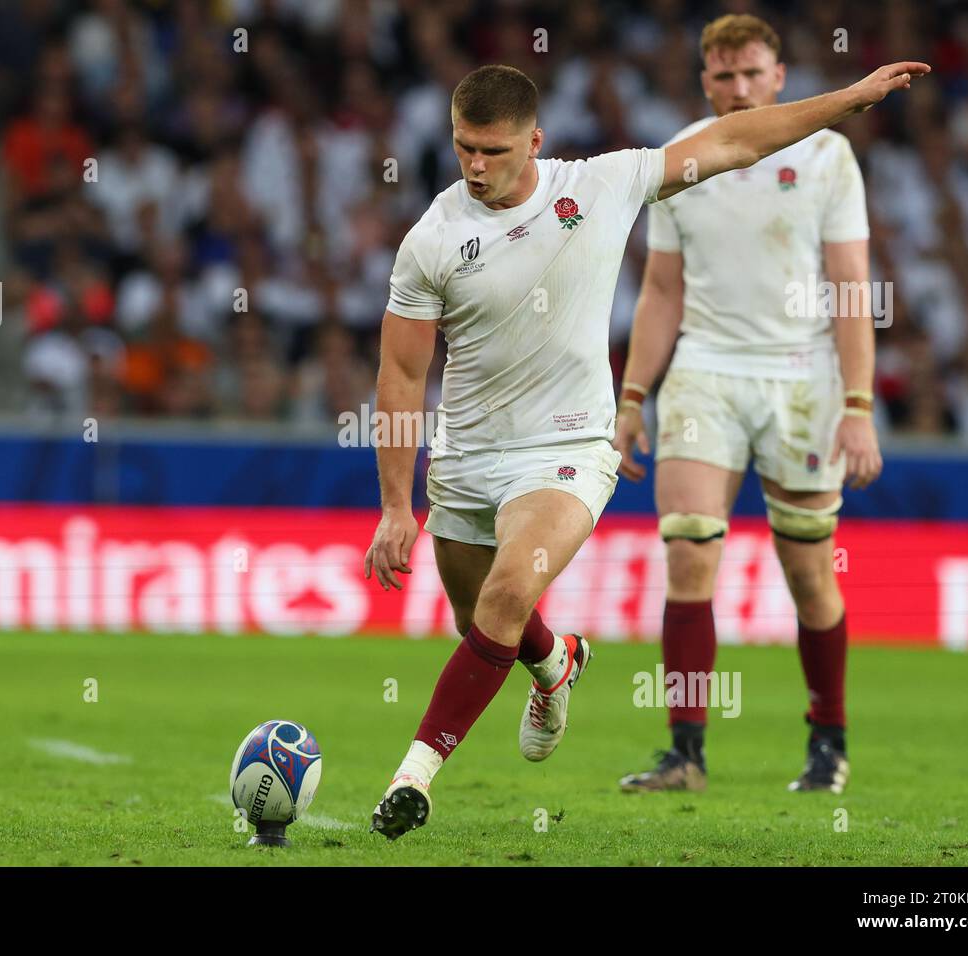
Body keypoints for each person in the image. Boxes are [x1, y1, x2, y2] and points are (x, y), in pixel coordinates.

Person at [364, 55, 928, 839]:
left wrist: (847, 100)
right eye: (465, 148)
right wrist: (397, 504)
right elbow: (400, 375)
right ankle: (555, 662)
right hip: (467, 453)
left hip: (567, 446)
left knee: (502, 596)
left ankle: (413, 777)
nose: (477, 166)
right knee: (480, 619)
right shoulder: (433, 237)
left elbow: (734, 140)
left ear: (536, 140)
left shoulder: (599, 187)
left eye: (494, 150)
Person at [615, 15, 883, 796]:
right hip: (706, 369)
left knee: (807, 570)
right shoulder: (682, 160)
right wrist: (633, 397)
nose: (737, 90)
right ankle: (685, 753)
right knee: (689, 549)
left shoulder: (827, 154)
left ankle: (828, 742)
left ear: (779, 77)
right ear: (705, 81)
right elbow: (662, 289)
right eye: (723, 77)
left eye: (751, 75)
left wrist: (858, 403)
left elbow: (850, 289)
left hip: (803, 377)